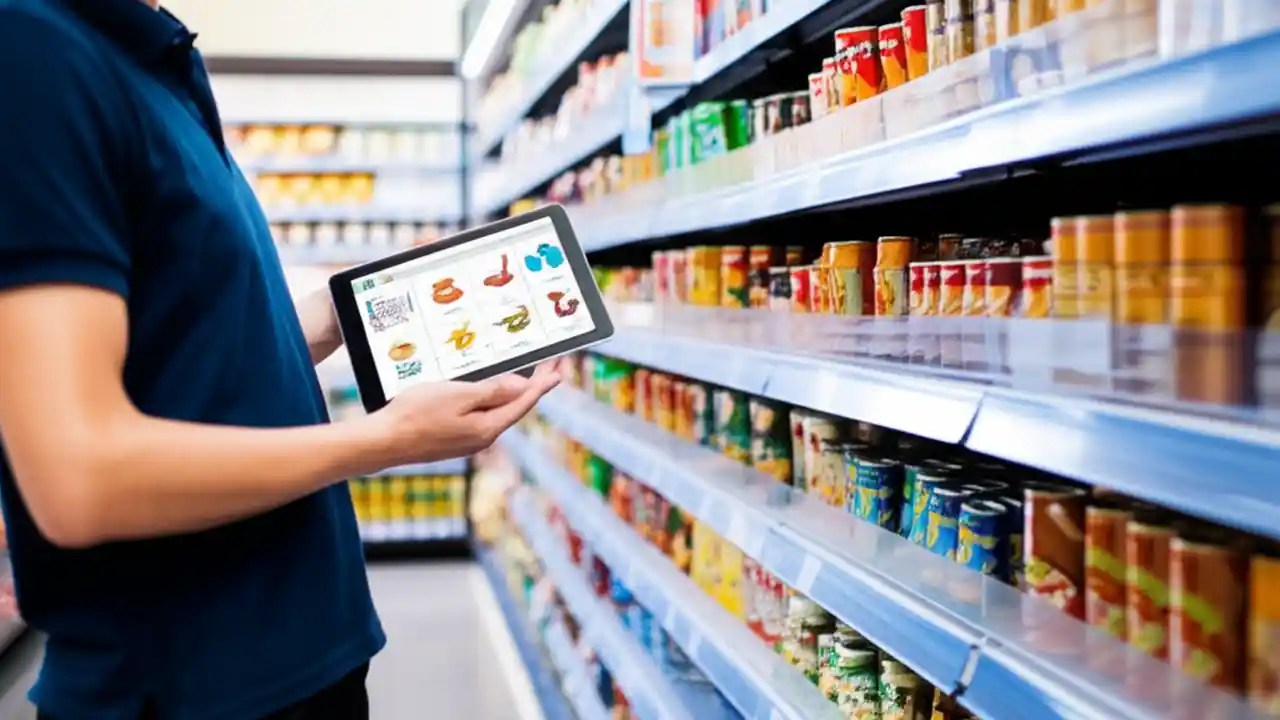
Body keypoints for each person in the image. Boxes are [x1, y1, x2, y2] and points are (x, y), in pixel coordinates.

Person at [0, 0, 561, 718]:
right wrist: (382, 440)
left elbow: (191, 358)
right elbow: (81, 479)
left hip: (299, 663)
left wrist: (339, 315)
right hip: (194, 690)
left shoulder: (149, 59)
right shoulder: (35, 51)